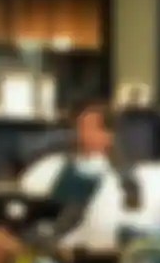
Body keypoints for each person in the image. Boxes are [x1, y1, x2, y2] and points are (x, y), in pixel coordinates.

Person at [19, 100, 130, 252]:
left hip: (79, 246)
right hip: (52, 233)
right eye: (80, 127)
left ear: (109, 135)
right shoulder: (57, 164)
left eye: (89, 128)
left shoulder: (116, 175)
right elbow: (29, 189)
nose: (81, 134)